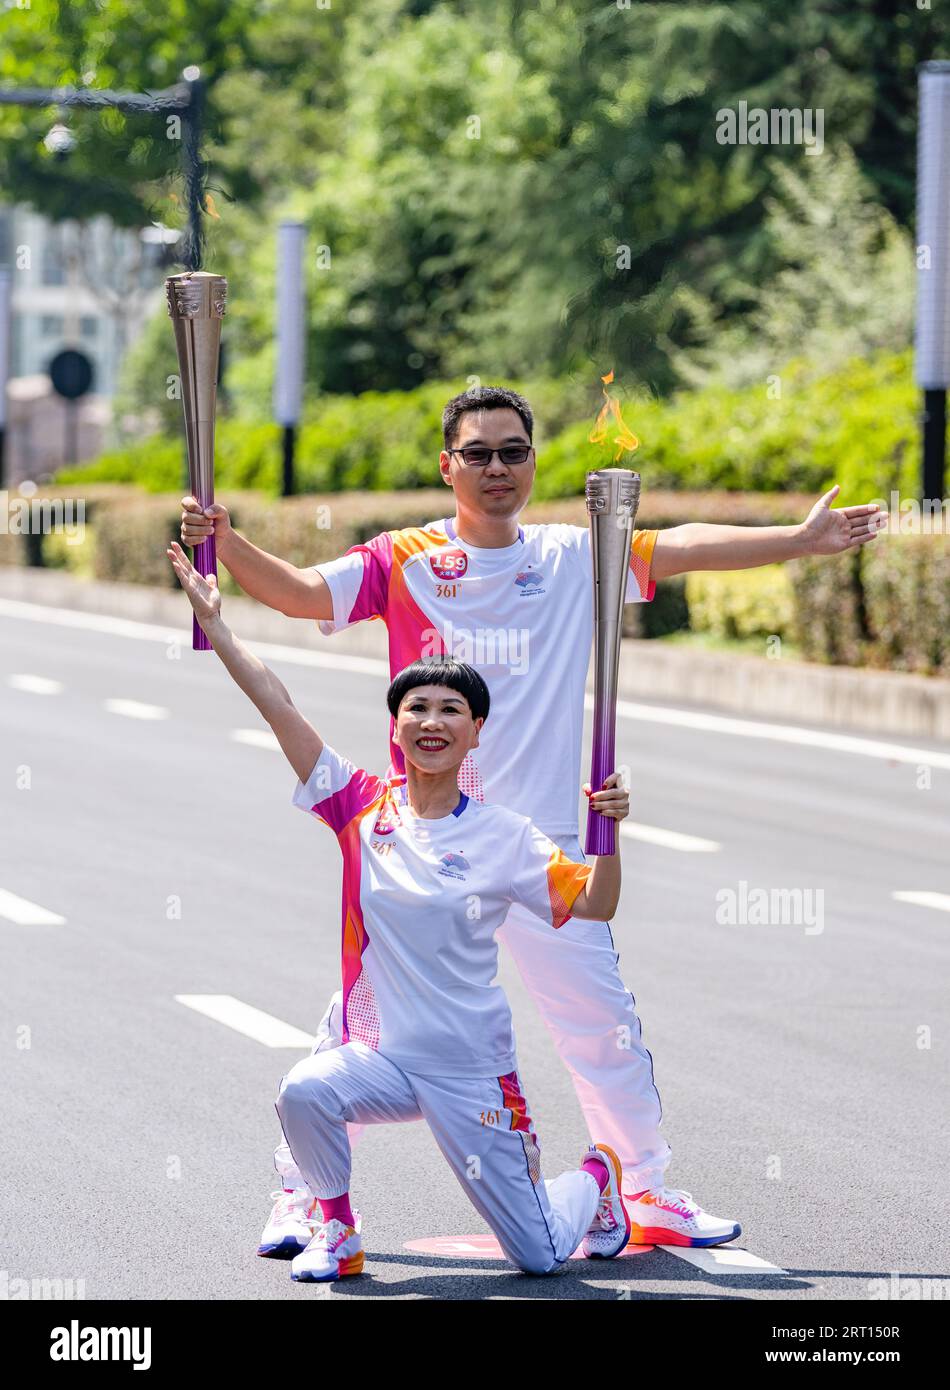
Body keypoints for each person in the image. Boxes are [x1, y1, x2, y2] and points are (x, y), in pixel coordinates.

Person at [181, 384, 886, 1252]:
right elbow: (292, 594)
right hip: (430, 837)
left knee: (602, 1023)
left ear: (533, 462)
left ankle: (646, 1190)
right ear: (448, 466)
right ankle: (304, 1191)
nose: (497, 468)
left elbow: (685, 548)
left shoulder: (570, 557)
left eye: (513, 451)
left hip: (543, 840)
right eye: (478, 453)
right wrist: (223, 538)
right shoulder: (402, 559)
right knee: (362, 1024)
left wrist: (801, 539)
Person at [167, 537, 634, 1280]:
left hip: (471, 1071)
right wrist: (220, 628)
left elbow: (596, 903)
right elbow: (279, 704)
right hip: (384, 1058)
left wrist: (609, 837)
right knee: (305, 1090)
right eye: (416, 707)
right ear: (397, 727)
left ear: (476, 731)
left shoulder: (504, 837)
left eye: (452, 709)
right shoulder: (361, 810)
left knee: (541, 1257)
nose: (432, 720)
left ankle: (598, 1177)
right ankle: (339, 1229)